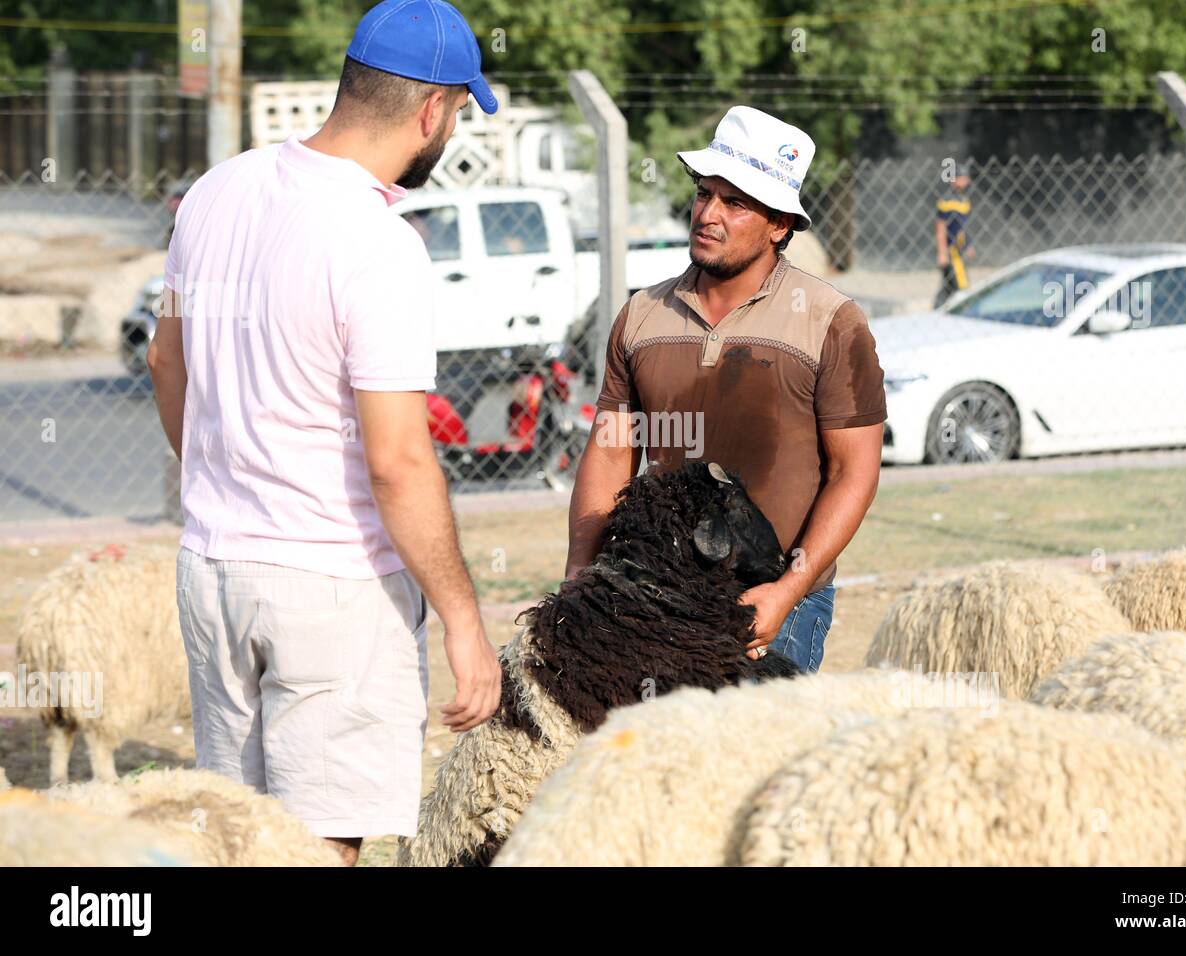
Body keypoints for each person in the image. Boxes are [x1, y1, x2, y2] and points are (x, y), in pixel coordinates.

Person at [146, 0, 502, 866]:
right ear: (430, 111)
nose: (451, 130)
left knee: (237, 840)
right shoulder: (380, 245)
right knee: (317, 850)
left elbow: (166, 361)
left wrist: (229, 478)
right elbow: (398, 459)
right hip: (334, 587)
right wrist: (462, 618)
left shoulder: (215, 193)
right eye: (457, 112)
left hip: (214, 567)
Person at [565, 106, 888, 673]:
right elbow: (614, 450)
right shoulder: (642, 315)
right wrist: (579, 577)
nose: (707, 214)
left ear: (780, 224)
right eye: (703, 193)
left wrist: (787, 591)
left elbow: (852, 472)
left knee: (766, 757)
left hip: (775, 600)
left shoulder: (831, 321)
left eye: (734, 202)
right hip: (657, 592)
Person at [934, 163, 975, 307]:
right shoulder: (946, 201)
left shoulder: (964, 201)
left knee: (949, 284)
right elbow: (940, 227)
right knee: (961, 284)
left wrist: (968, 244)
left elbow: (963, 226)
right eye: (962, 178)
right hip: (951, 250)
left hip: (960, 247)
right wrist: (942, 252)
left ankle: (939, 308)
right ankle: (962, 309)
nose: (966, 181)